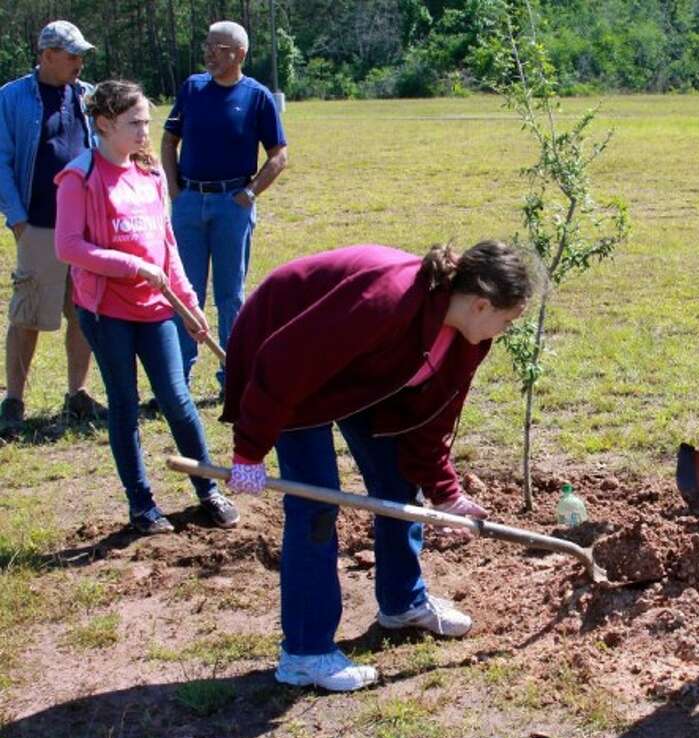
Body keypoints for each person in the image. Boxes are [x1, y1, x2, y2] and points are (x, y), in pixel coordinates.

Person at [222, 241, 536, 692]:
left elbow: (431, 417)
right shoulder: (388, 300)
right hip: (287, 351)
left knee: (397, 480)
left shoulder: (468, 337)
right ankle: (305, 654)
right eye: (506, 322)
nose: (504, 331)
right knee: (316, 504)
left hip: (360, 372)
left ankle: (402, 602)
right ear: (482, 303)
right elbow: (284, 362)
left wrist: (447, 491)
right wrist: (249, 452)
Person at [54, 81, 239, 534]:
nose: (144, 132)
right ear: (103, 124)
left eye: (147, 123)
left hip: (156, 307)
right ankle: (141, 505)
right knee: (125, 404)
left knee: (177, 399)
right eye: (134, 123)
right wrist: (131, 265)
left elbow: (168, 246)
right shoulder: (79, 177)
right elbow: (69, 247)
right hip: (105, 312)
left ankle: (208, 489)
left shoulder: (151, 175)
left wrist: (190, 305)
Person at [161, 20, 288, 394]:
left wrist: (249, 194)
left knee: (230, 295)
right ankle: (176, 381)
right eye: (208, 46)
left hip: (232, 205)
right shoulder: (192, 89)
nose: (210, 53)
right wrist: (174, 189)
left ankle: (232, 379)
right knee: (186, 292)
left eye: (220, 47)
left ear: (241, 54)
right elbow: (169, 140)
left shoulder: (257, 96)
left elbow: (279, 154)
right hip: (188, 203)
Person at [0, 20, 105, 439]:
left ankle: (77, 394)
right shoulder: (11, 97)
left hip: (83, 226)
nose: (79, 62)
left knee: (83, 310)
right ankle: (14, 400)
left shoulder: (87, 95)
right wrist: (18, 219)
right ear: (47, 56)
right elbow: (2, 162)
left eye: (81, 55)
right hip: (38, 224)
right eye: (72, 55)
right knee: (26, 315)